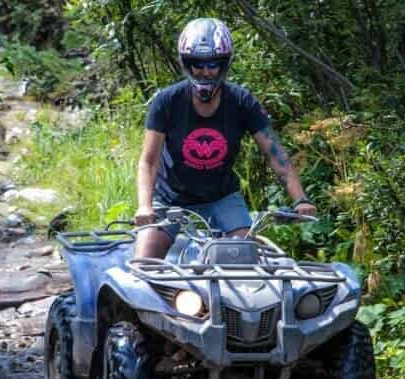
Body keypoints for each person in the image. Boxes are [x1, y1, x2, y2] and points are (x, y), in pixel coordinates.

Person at [133, 17, 317, 259]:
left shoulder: (242, 101)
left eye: (213, 65)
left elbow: (275, 154)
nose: (206, 72)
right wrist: (145, 205)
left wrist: (300, 199)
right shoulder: (167, 101)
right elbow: (149, 161)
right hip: (171, 198)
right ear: (186, 64)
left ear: (224, 64)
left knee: (245, 256)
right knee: (145, 258)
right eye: (197, 64)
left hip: (222, 197)